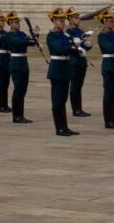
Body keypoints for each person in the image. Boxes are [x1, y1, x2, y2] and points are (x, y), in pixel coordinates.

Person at [46, 8, 78, 137]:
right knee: (57, 101)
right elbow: (59, 48)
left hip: (65, 68)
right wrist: (72, 48)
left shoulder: (66, 35)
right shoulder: (51, 36)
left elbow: (72, 48)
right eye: (60, 21)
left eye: (63, 21)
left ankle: (64, 126)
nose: (62, 23)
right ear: (54, 21)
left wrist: (79, 48)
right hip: (57, 69)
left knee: (63, 100)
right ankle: (59, 128)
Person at [6, 11, 35, 124]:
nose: (18, 24)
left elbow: (31, 42)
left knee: (23, 90)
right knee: (18, 89)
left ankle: (21, 114)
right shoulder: (9, 35)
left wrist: (34, 36)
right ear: (10, 23)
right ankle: (16, 116)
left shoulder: (22, 33)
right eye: (15, 22)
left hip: (24, 62)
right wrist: (29, 40)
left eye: (18, 22)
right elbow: (20, 42)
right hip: (16, 62)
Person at [67, 7, 92, 118]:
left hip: (81, 61)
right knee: (75, 86)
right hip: (74, 61)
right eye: (75, 18)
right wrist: (79, 47)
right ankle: (75, 109)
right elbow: (71, 47)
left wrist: (87, 45)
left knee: (79, 86)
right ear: (70, 19)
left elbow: (83, 45)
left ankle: (79, 108)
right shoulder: (69, 32)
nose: (78, 19)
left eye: (78, 17)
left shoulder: (80, 31)